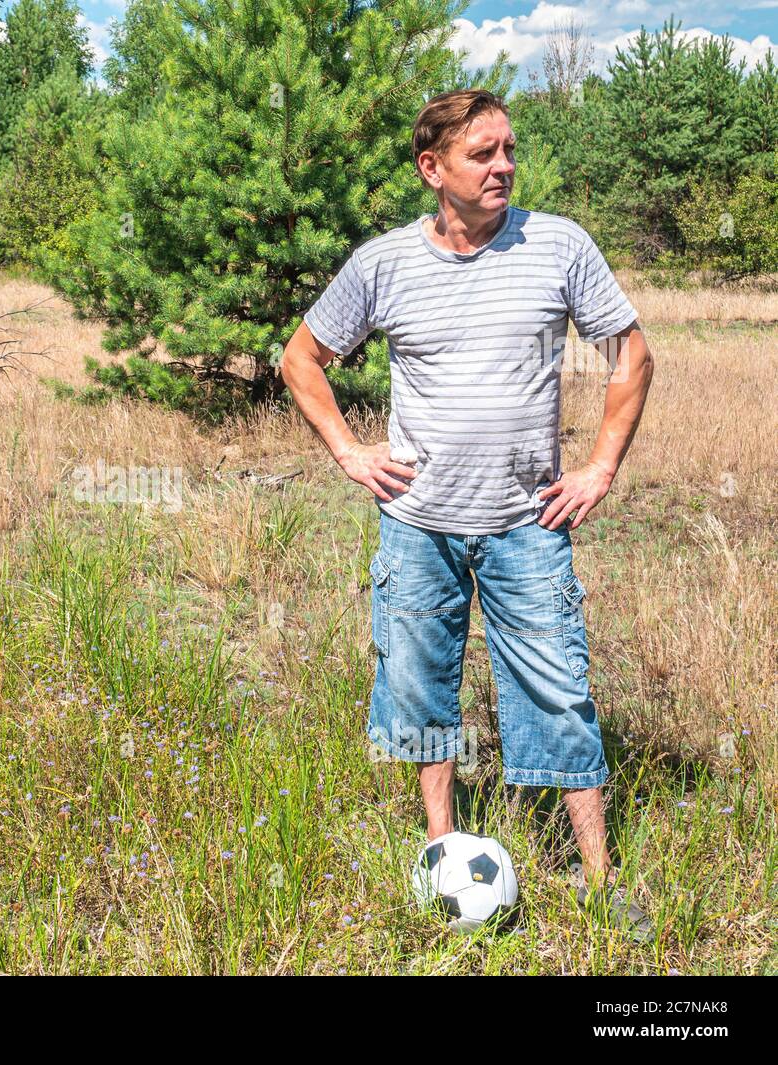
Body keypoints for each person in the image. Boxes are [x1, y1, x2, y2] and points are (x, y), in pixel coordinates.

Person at [279, 88, 655, 938]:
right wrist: (349, 451)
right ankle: (444, 854)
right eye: (483, 153)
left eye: (509, 150)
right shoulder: (383, 264)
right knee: (417, 688)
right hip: (419, 523)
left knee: (561, 691)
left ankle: (600, 878)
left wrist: (600, 466)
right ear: (432, 168)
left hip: (531, 522)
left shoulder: (557, 245)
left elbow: (630, 353)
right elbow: (302, 358)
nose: (504, 166)